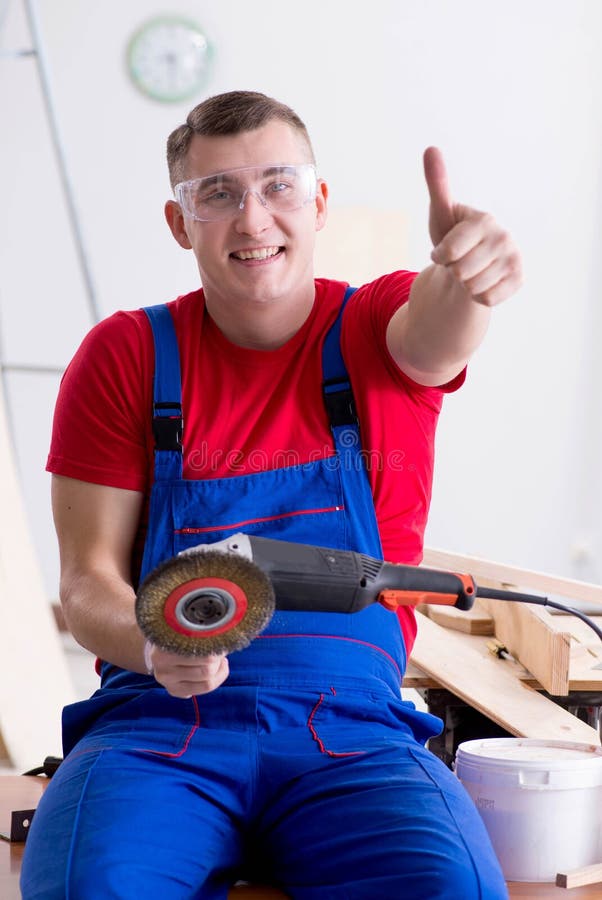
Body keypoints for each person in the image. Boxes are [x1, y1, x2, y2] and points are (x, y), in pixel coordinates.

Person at [21, 90, 522, 899]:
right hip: (158, 729)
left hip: (353, 735)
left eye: (278, 185)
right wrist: (154, 645)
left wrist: (466, 278)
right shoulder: (126, 355)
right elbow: (87, 584)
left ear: (318, 203)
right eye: (217, 193)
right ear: (180, 223)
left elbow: (436, 334)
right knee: (92, 887)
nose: (253, 219)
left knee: (450, 888)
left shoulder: (373, 326)